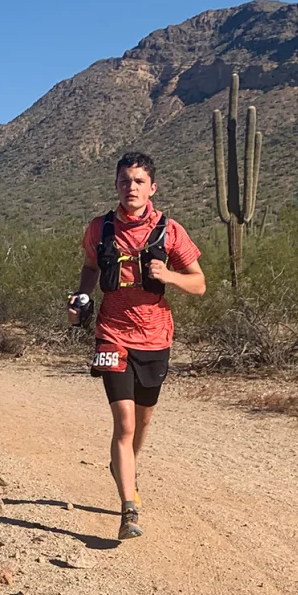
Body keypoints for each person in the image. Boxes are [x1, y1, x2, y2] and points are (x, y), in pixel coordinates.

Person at [67, 152, 205, 540]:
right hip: (112, 332)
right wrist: (80, 297)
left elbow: (200, 283)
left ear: (152, 188)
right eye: (125, 181)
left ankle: (124, 463)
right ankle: (129, 508)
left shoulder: (170, 230)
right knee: (124, 423)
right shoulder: (100, 228)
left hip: (156, 335)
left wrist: (171, 276)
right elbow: (91, 266)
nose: (131, 188)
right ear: (116, 185)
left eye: (139, 181)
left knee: (143, 421)